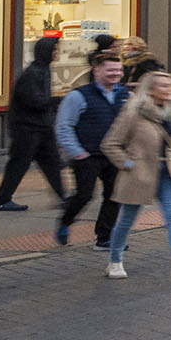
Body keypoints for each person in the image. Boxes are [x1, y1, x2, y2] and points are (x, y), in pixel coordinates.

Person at [99, 70, 171, 281]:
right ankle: (115, 261)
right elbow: (110, 143)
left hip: (170, 171)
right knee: (127, 220)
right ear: (150, 89)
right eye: (162, 85)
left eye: (170, 85)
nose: (168, 89)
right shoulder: (134, 112)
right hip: (140, 173)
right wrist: (127, 163)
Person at [53, 51, 132, 249]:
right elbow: (64, 126)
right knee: (84, 195)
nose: (115, 74)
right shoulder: (78, 96)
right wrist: (77, 152)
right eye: (110, 70)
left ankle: (104, 237)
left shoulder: (126, 96)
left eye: (118, 70)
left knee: (114, 195)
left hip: (114, 155)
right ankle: (65, 222)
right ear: (96, 71)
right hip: (87, 155)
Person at [0, 37, 66, 212]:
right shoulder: (32, 74)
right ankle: (3, 199)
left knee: (51, 162)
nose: (57, 53)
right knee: (20, 163)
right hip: (27, 128)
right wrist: (58, 101)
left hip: (40, 127)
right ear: (46, 52)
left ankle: (63, 197)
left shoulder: (43, 70)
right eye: (54, 50)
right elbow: (34, 101)